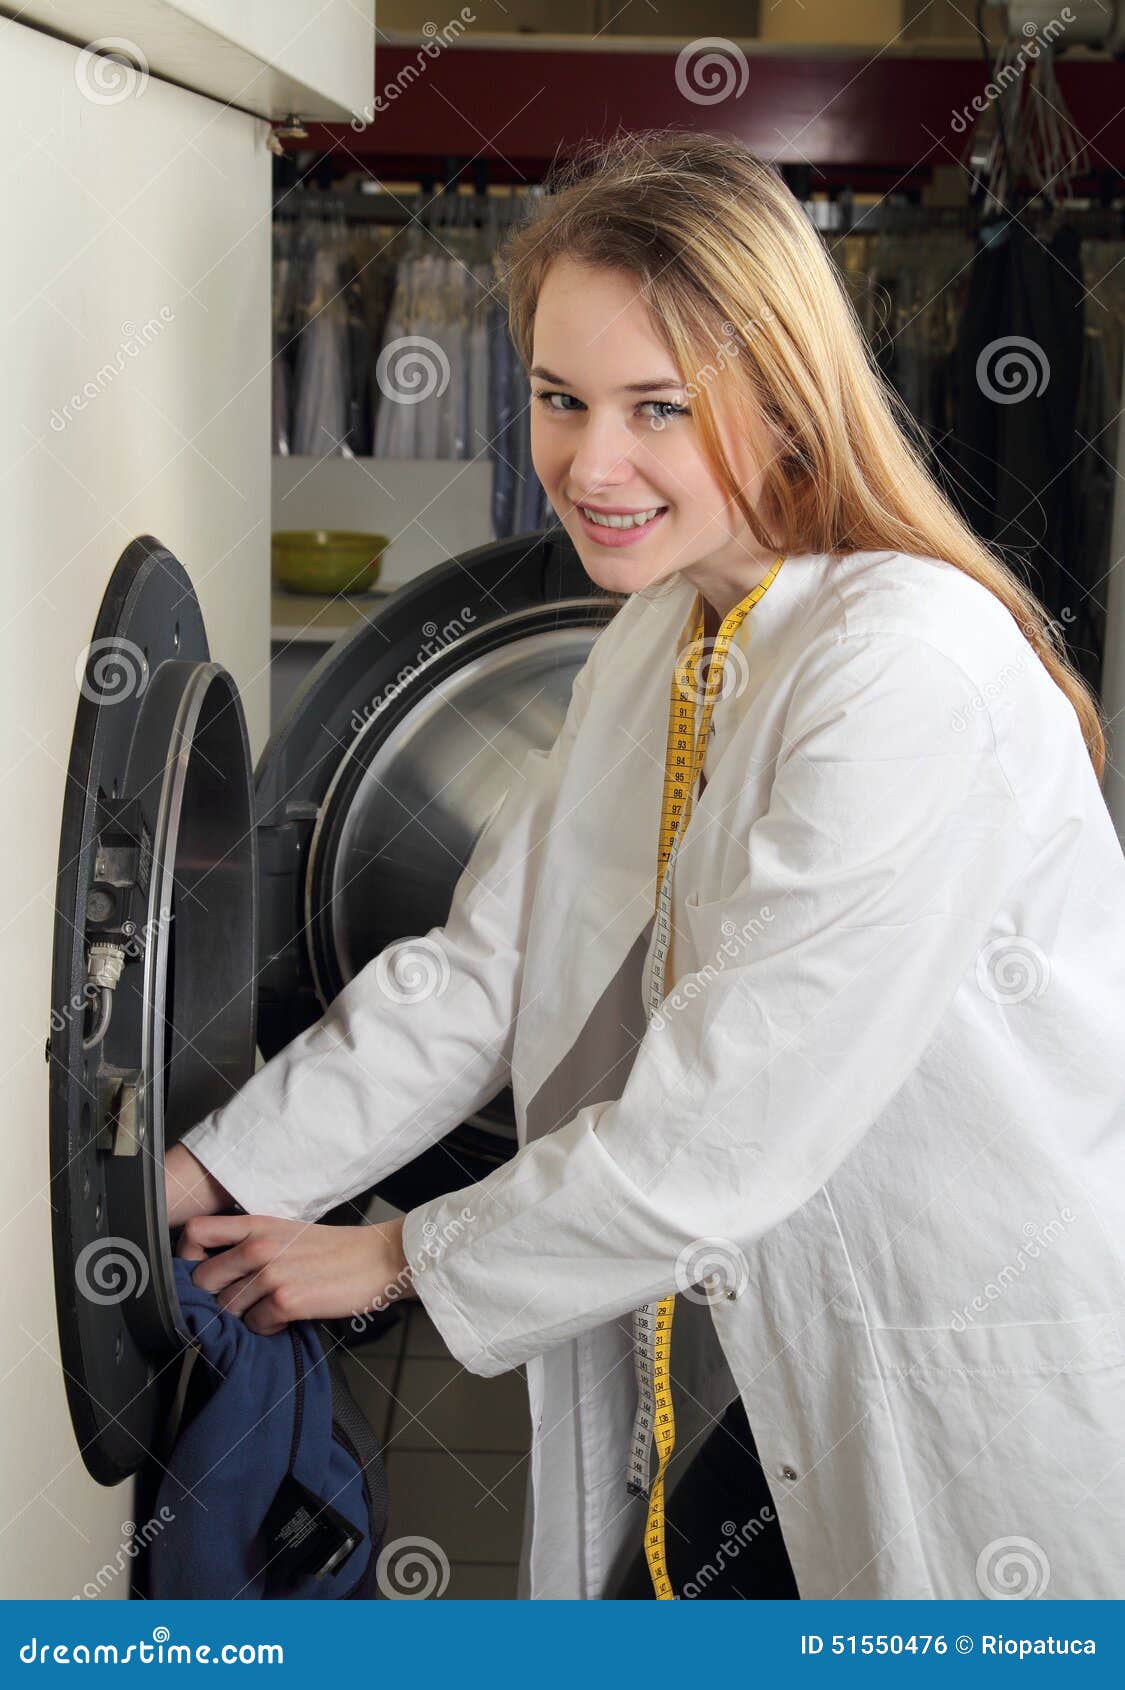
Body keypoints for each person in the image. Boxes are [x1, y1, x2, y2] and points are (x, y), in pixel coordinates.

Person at [167, 130, 1125, 1602]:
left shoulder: (902, 666)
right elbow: (486, 974)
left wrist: (395, 1259)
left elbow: (726, 1127)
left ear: (784, 401)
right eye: (560, 397)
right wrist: (208, 1172)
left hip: (962, 1375)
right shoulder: (659, 638)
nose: (587, 464)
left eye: (656, 408)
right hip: (795, 1361)